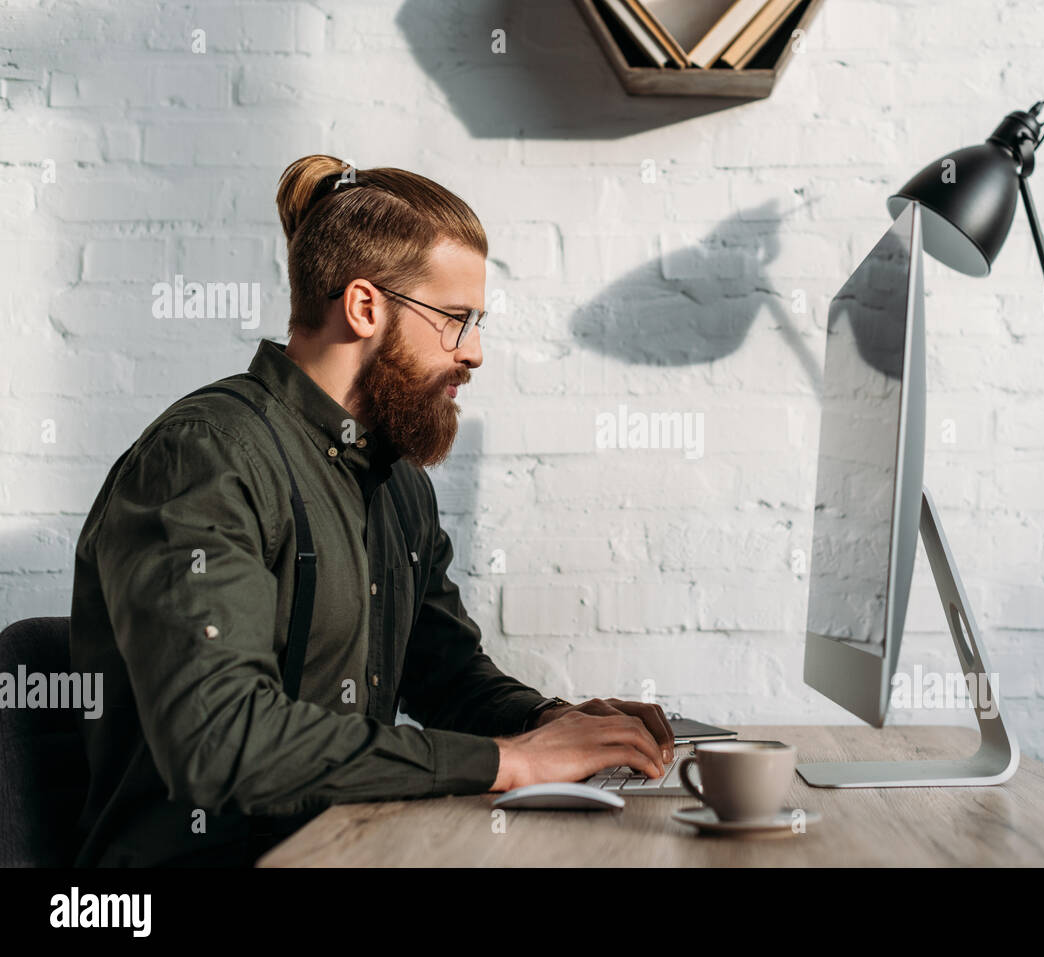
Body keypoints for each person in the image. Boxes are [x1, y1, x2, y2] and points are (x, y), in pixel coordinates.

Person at [69, 155, 674, 867]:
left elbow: (445, 673)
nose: (474, 352)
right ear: (364, 306)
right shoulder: (203, 458)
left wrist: (548, 722)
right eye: (455, 319)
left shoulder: (396, 482)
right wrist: (509, 762)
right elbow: (220, 741)